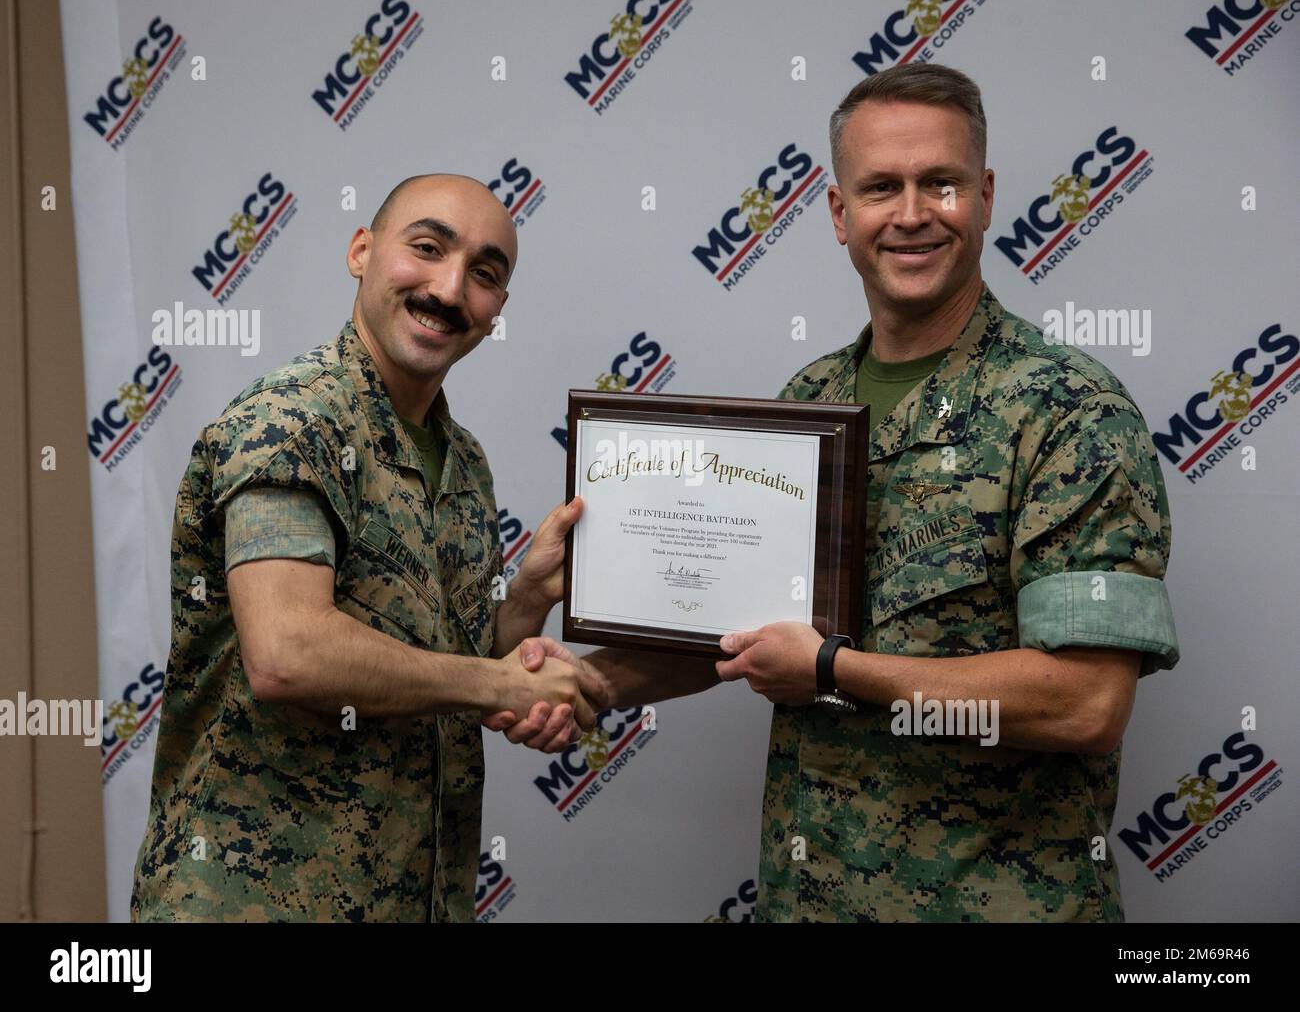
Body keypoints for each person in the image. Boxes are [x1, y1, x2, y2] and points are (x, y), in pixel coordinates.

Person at [494, 64, 1179, 922]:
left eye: (942, 183)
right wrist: (588, 685)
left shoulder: (1070, 410)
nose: (913, 213)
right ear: (838, 213)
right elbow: (737, 634)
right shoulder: (810, 402)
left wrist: (830, 668)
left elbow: (1085, 703)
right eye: (882, 187)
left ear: (988, 195)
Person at [132, 174, 605, 923]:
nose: (449, 289)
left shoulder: (462, 458)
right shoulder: (292, 421)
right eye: (427, 248)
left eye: (484, 274)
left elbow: (448, 668)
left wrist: (528, 598)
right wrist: (503, 686)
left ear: (496, 312)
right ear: (362, 250)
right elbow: (289, 651)